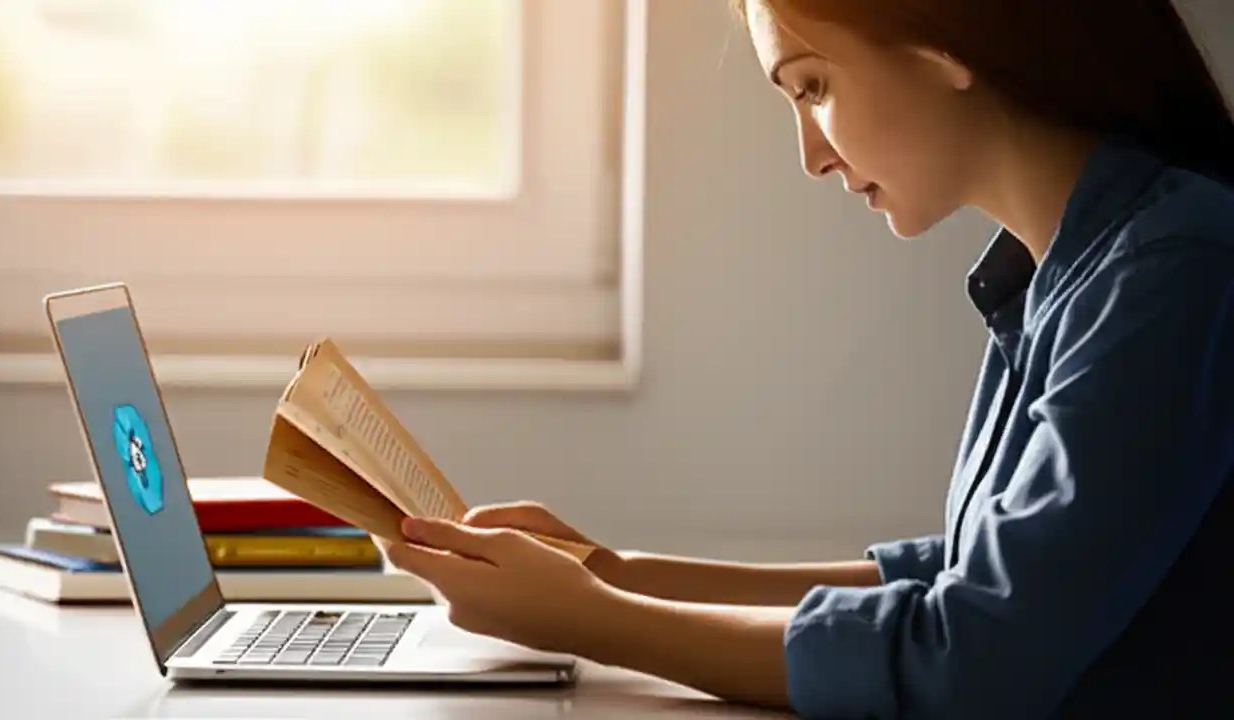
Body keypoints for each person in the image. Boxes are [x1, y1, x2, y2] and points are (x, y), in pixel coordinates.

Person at [376, 1, 1234, 717]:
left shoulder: (1175, 268)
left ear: (945, 40)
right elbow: (978, 575)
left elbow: (977, 653)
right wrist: (616, 573)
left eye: (813, 86)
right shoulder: (1059, 274)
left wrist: (599, 621)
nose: (811, 154)